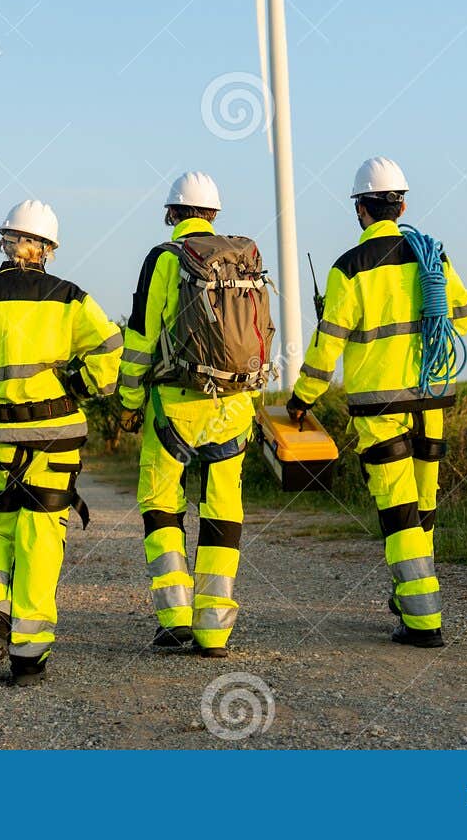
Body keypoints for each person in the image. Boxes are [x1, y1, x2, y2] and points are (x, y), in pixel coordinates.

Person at [0, 200, 123, 686]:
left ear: (5, 241)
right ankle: (29, 657)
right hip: (55, 437)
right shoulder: (69, 297)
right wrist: (80, 385)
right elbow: (112, 347)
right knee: (40, 539)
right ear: (47, 248)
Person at [286, 157, 467, 648]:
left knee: (399, 514)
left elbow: (327, 346)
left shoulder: (349, 269)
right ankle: (411, 597)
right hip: (431, 401)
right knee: (424, 509)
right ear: (403, 204)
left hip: (379, 411)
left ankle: (422, 621)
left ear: (360, 210)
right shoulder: (433, 255)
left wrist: (302, 399)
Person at [118, 172, 273, 658]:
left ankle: (175, 617)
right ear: (214, 214)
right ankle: (214, 630)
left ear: (172, 215)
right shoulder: (242, 257)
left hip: (175, 405)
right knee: (223, 508)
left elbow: (141, 339)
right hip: (234, 403)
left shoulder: (165, 258)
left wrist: (126, 402)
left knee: (161, 502)